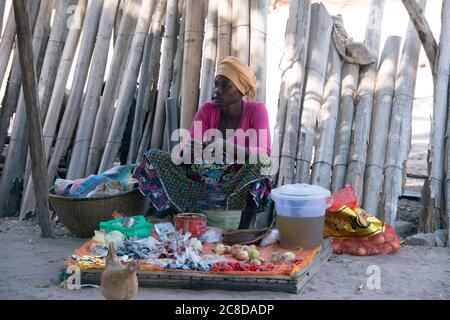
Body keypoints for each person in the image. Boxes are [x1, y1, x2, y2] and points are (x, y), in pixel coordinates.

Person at [133, 56, 272, 229]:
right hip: (202, 182)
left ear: (241, 89)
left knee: (261, 164)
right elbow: (186, 151)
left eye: (225, 86)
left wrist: (225, 146)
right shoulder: (207, 110)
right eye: (216, 84)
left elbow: (264, 153)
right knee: (154, 158)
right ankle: (180, 217)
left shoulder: (257, 111)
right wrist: (194, 149)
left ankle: (243, 230)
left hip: (237, 183)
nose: (218, 91)